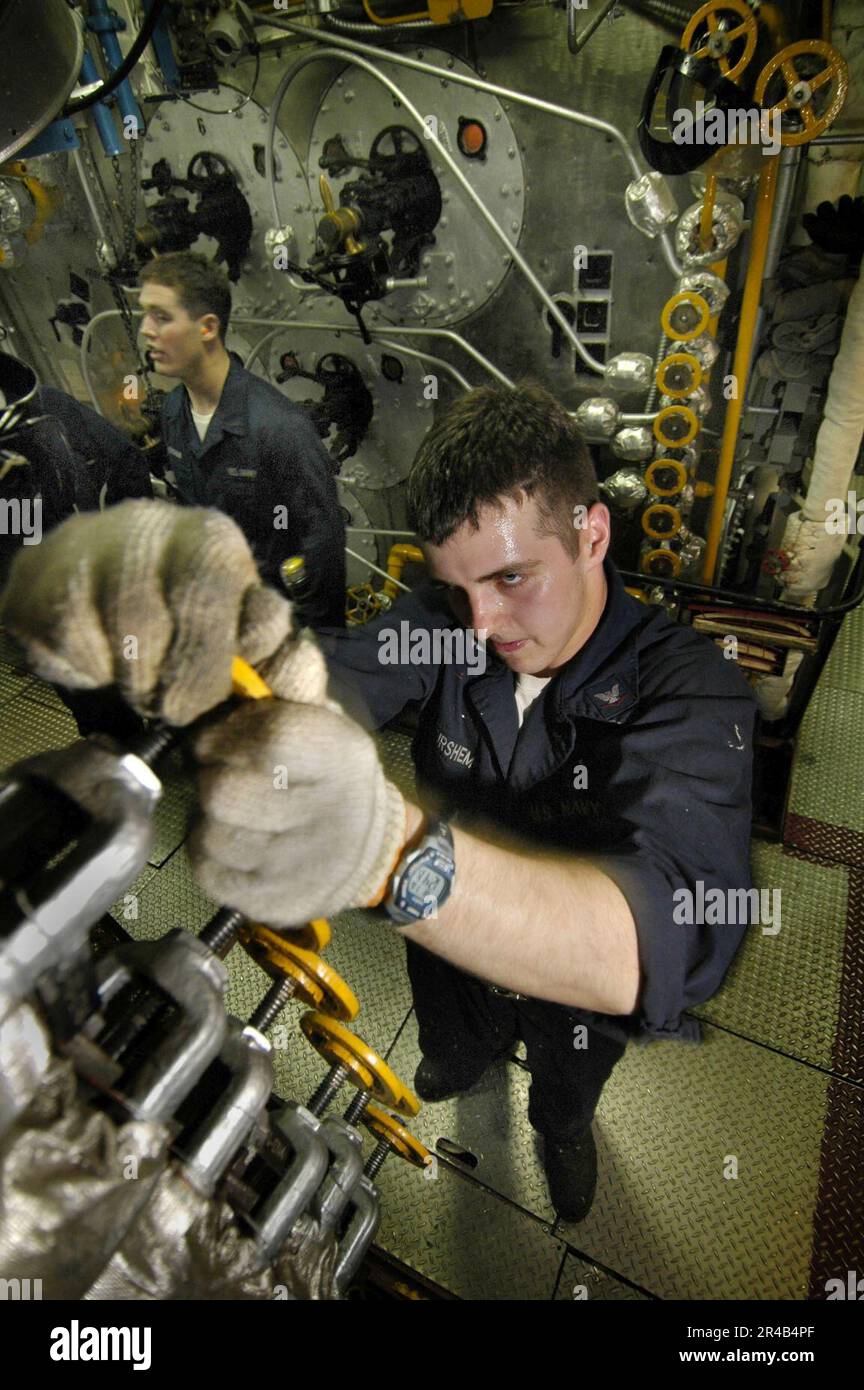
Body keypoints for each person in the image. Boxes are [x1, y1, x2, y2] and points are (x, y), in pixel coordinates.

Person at [0, 383, 756, 1223]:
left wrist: (387, 850)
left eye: (511, 577)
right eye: (457, 587)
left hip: (573, 1002)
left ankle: (562, 1131)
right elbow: (337, 677)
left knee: (567, 1087)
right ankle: (461, 1062)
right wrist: (220, 661)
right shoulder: (443, 618)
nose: (481, 623)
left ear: (593, 536)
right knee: (451, 1050)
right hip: (447, 960)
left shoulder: (691, 691)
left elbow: (660, 938)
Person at [138, 250, 346, 628]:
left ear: (207, 328)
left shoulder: (279, 428)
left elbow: (323, 547)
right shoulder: (173, 412)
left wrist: (314, 644)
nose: (146, 330)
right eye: (144, 314)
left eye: (162, 317)